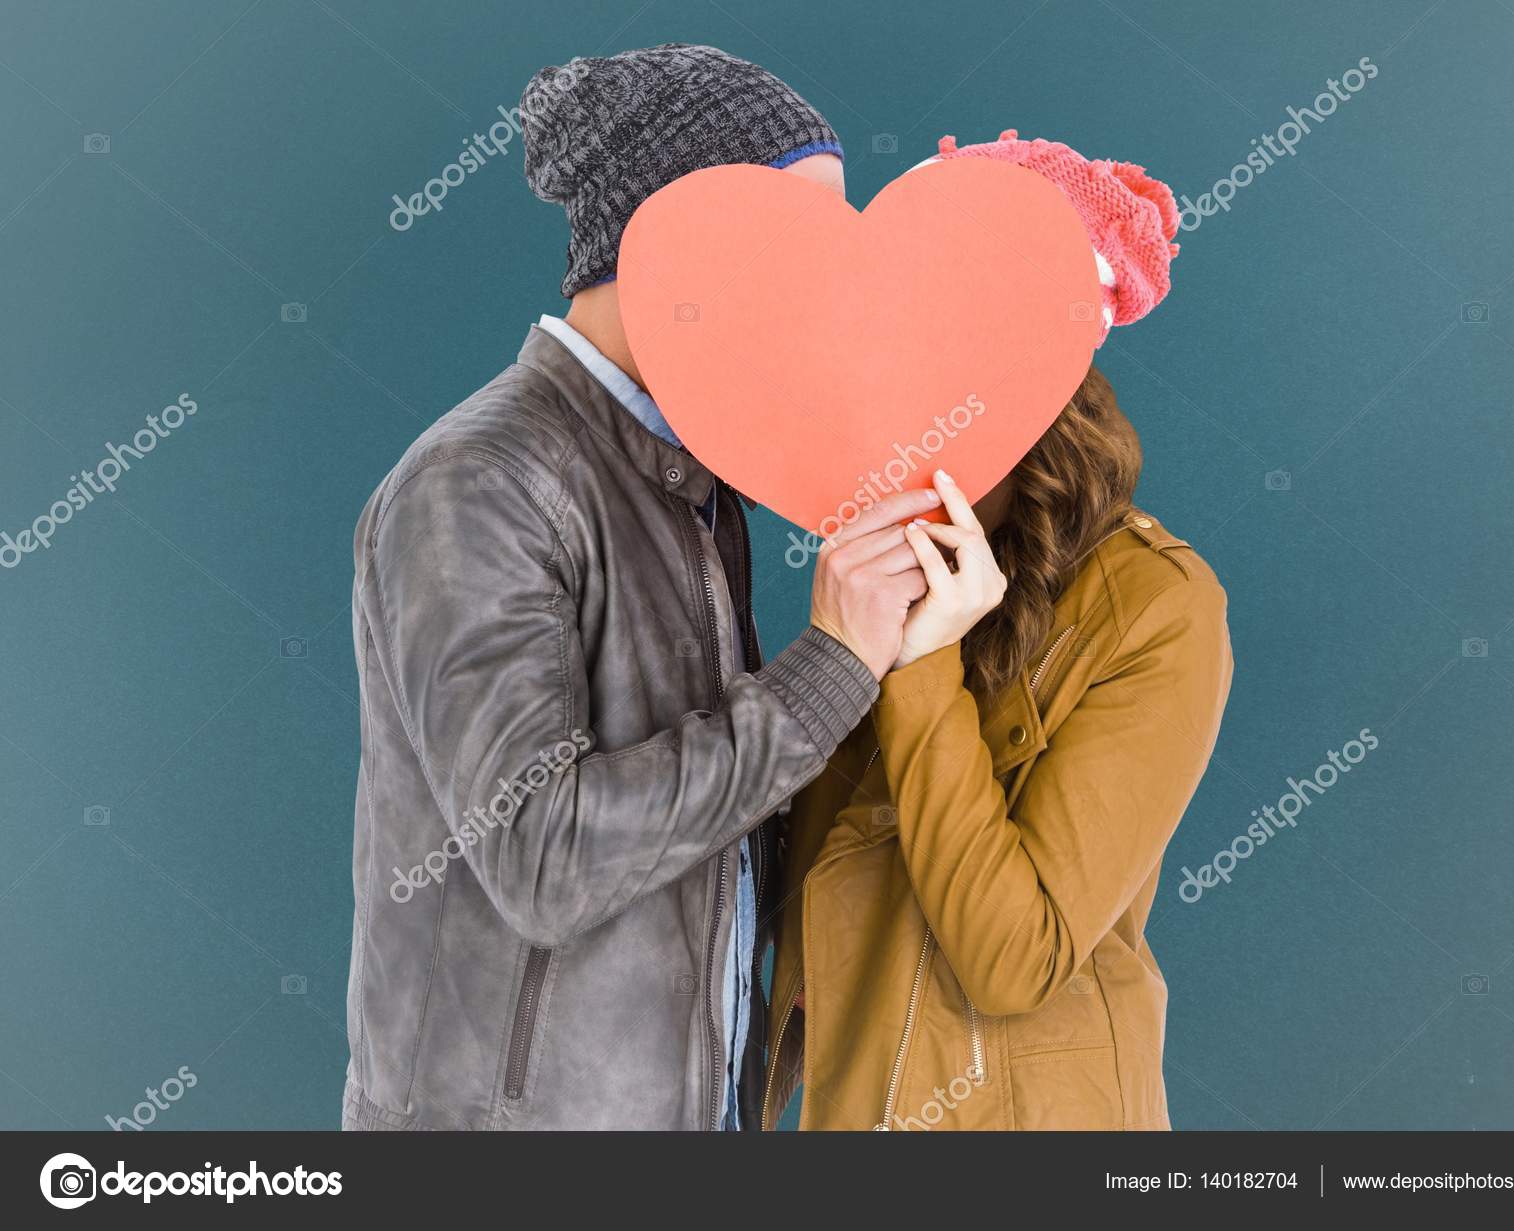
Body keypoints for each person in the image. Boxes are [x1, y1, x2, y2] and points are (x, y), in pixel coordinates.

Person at [343, 44, 933, 1131]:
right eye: (792, 241)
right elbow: (546, 856)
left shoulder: (695, 482)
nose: (825, 288)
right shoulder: (479, 481)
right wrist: (830, 669)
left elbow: (718, 821)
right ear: (668, 240)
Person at [763, 131, 1234, 1131]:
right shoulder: (880, 538)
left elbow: (1010, 957)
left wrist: (925, 663)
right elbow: (791, 885)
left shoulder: (1156, 606)